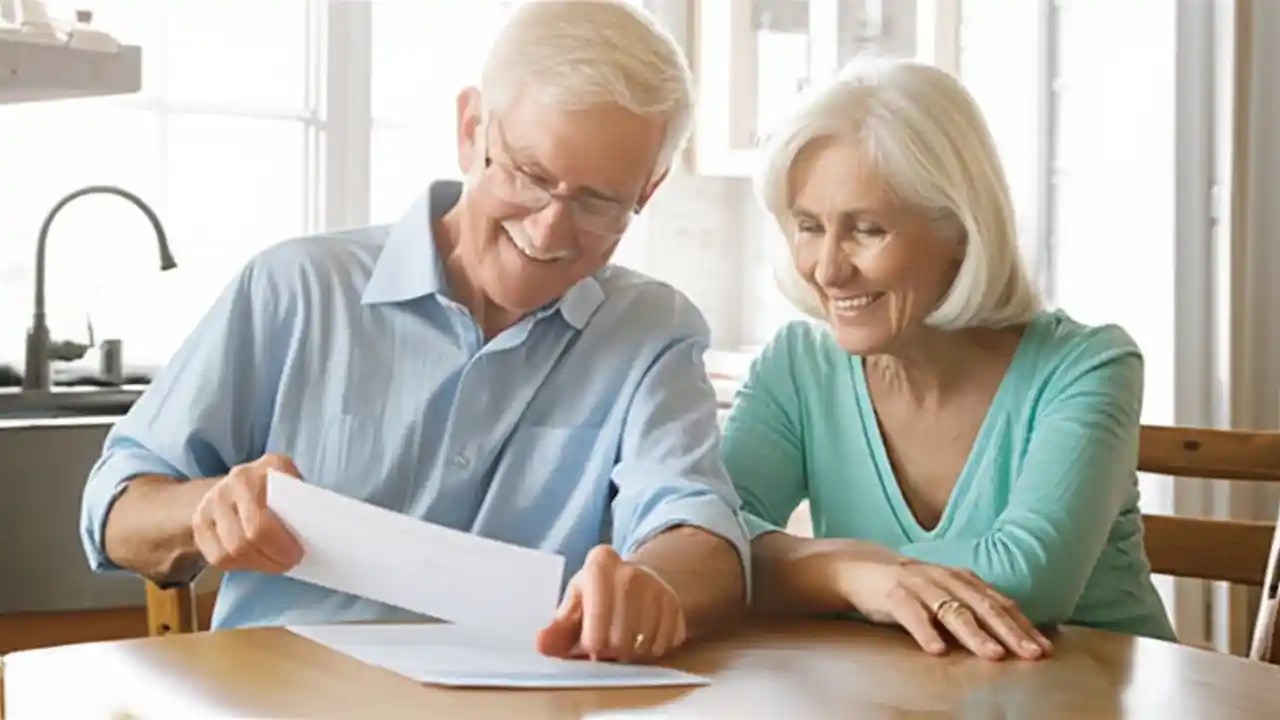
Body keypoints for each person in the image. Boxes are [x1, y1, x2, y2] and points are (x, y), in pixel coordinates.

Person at [79, 0, 748, 664]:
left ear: (648, 191)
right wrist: (209, 510)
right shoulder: (297, 290)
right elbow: (116, 512)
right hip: (281, 704)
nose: (549, 229)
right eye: (529, 174)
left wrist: (653, 584)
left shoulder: (652, 333)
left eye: (599, 201)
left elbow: (700, 528)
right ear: (470, 129)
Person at [721, 58, 1176, 661]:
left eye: (867, 229)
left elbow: (1023, 581)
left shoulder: (1088, 366)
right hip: (902, 699)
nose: (827, 269)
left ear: (960, 230)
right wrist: (846, 575)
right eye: (809, 226)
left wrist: (808, 566)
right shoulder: (798, 365)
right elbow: (705, 539)